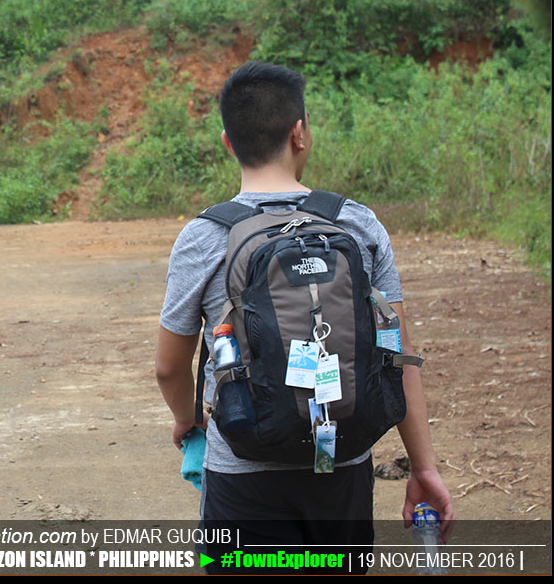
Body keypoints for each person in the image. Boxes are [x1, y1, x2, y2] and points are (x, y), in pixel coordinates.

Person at [155, 62, 453, 573]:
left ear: (228, 143)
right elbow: (398, 353)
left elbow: (168, 368)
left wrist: (188, 418)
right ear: (300, 133)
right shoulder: (356, 223)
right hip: (341, 463)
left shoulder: (203, 237)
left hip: (241, 467)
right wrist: (423, 468)